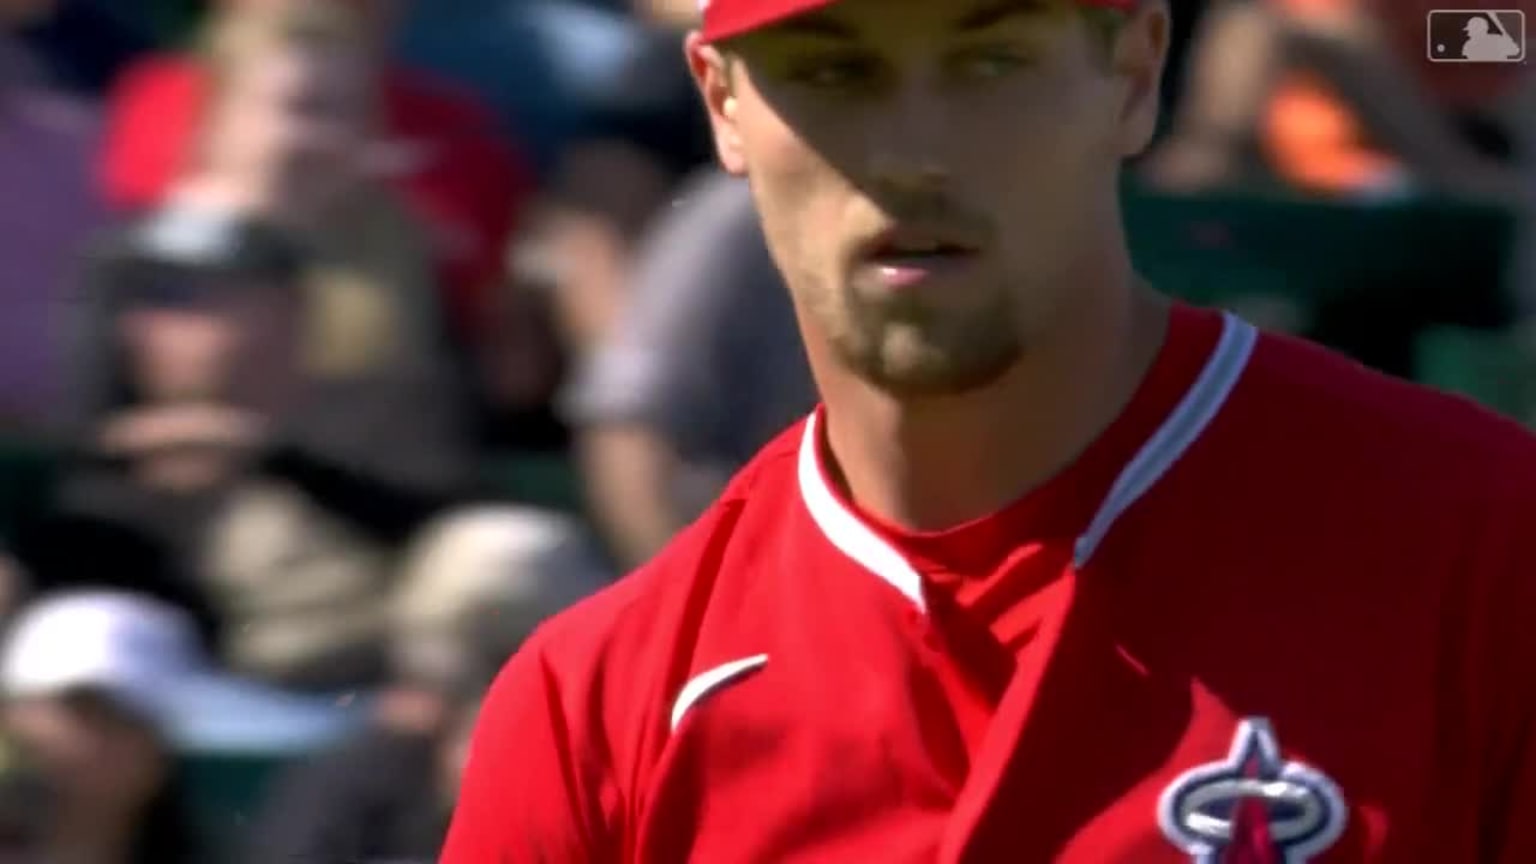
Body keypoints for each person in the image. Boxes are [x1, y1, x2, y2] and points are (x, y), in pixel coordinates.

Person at [444, 0, 1536, 861]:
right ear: (722, 106)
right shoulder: (596, 706)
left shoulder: (1488, 556)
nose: (916, 152)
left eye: (991, 61)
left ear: (1135, 75)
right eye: (834, 68)